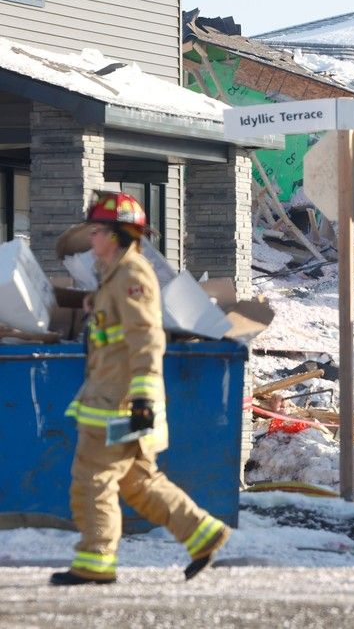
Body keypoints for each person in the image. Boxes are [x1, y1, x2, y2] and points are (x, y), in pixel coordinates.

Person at [50, 191, 231, 586]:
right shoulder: (114, 277)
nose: (91, 240)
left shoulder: (132, 277)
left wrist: (144, 400)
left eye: (97, 232)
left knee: (92, 480)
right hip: (117, 401)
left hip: (117, 404)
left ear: (115, 236)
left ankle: (95, 562)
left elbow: (147, 338)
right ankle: (204, 534)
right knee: (138, 482)